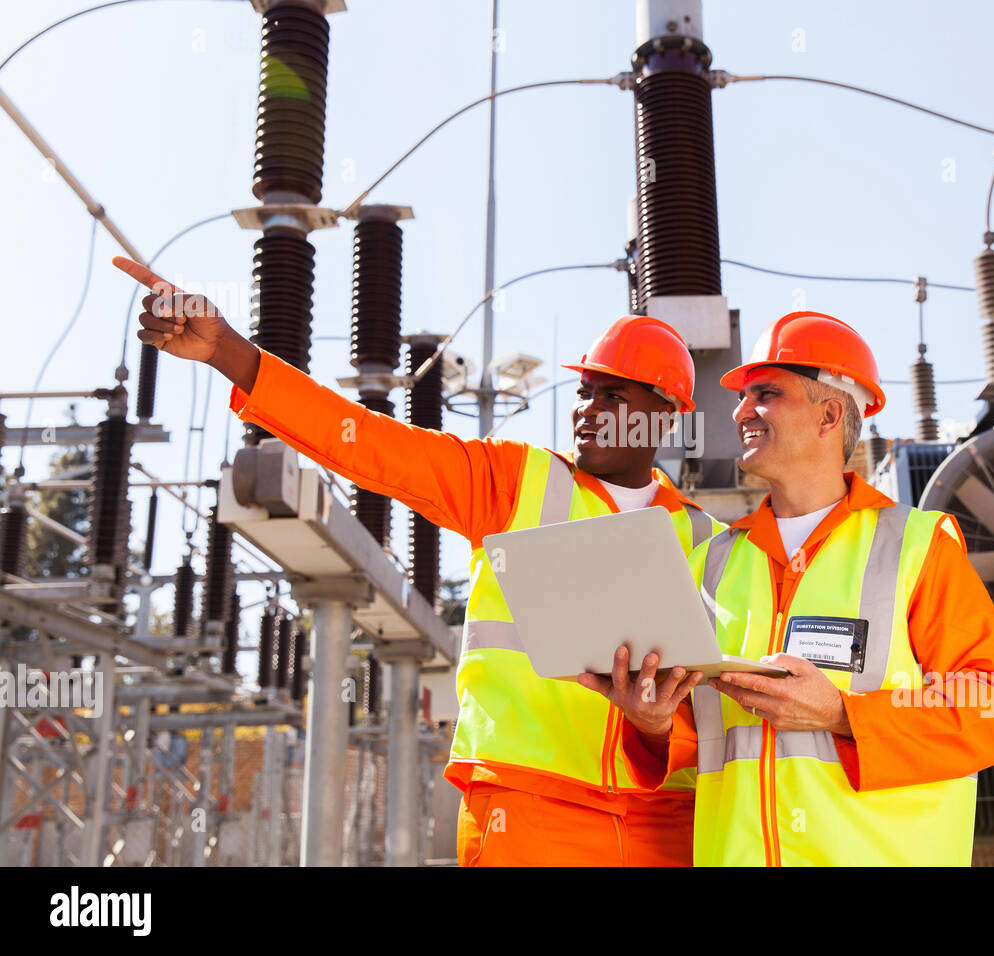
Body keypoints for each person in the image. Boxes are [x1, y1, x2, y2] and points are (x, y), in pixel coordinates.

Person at [114, 255, 725, 867]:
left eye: (613, 396)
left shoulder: (708, 541)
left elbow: (720, 706)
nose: (587, 410)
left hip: (663, 824)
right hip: (529, 812)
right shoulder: (515, 483)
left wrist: (655, 729)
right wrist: (230, 353)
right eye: (585, 392)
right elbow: (368, 443)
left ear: (665, 416)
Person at [579, 310, 994, 866]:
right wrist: (652, 723)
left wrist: (843, 714)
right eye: (743, 398)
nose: (741, 411)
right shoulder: (711, 563)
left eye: (766, 393)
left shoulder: (917, 547)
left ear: (830, 414)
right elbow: (699, 742)